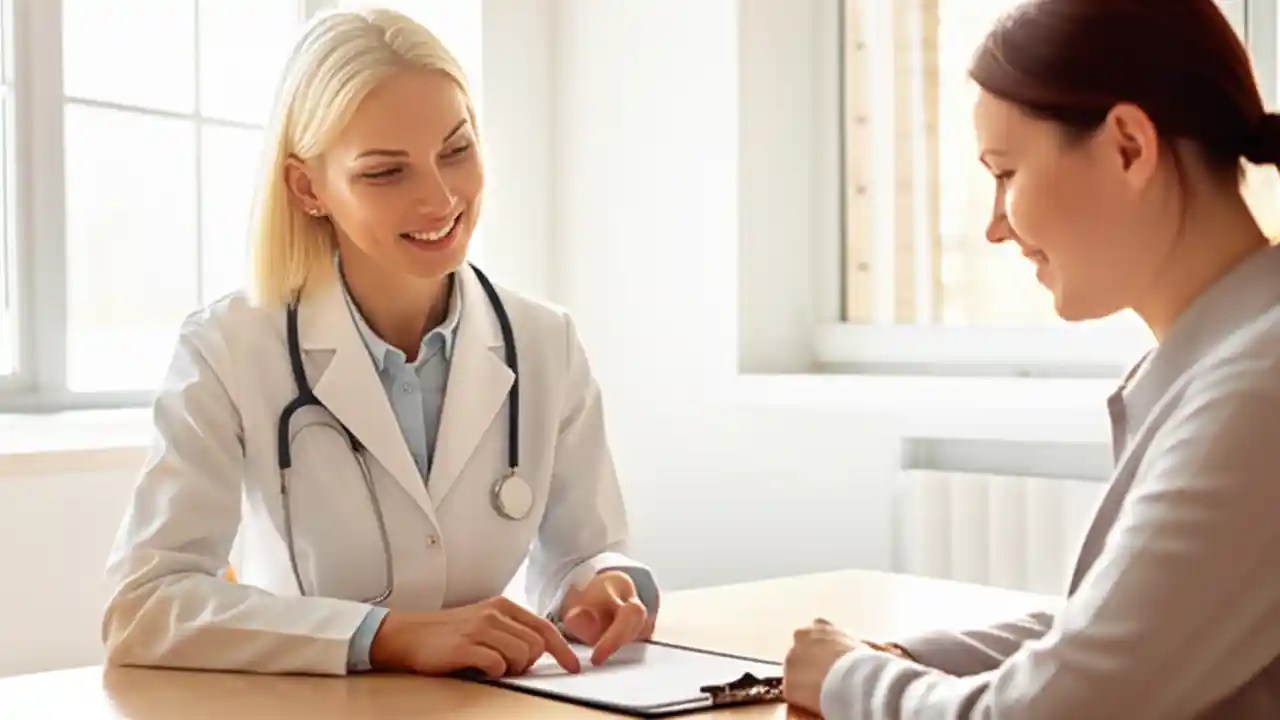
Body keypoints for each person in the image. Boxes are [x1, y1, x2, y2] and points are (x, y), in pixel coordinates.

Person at [101, 7, 658, 679]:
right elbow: (145, 605)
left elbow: (582, 553)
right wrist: (386, 635)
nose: (441, 198)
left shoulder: (545, 342)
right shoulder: (228, 346)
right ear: (309, 187)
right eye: (386, 173)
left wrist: (606, 584)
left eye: (456, 150)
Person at [784, 0, 1280, 717]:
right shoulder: (1234, 363)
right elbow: (1118, 630)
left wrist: (849, 682)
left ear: (1128, 147)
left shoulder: (1254, 391)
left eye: (1006, 173)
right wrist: (904, 660)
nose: (994, 226)